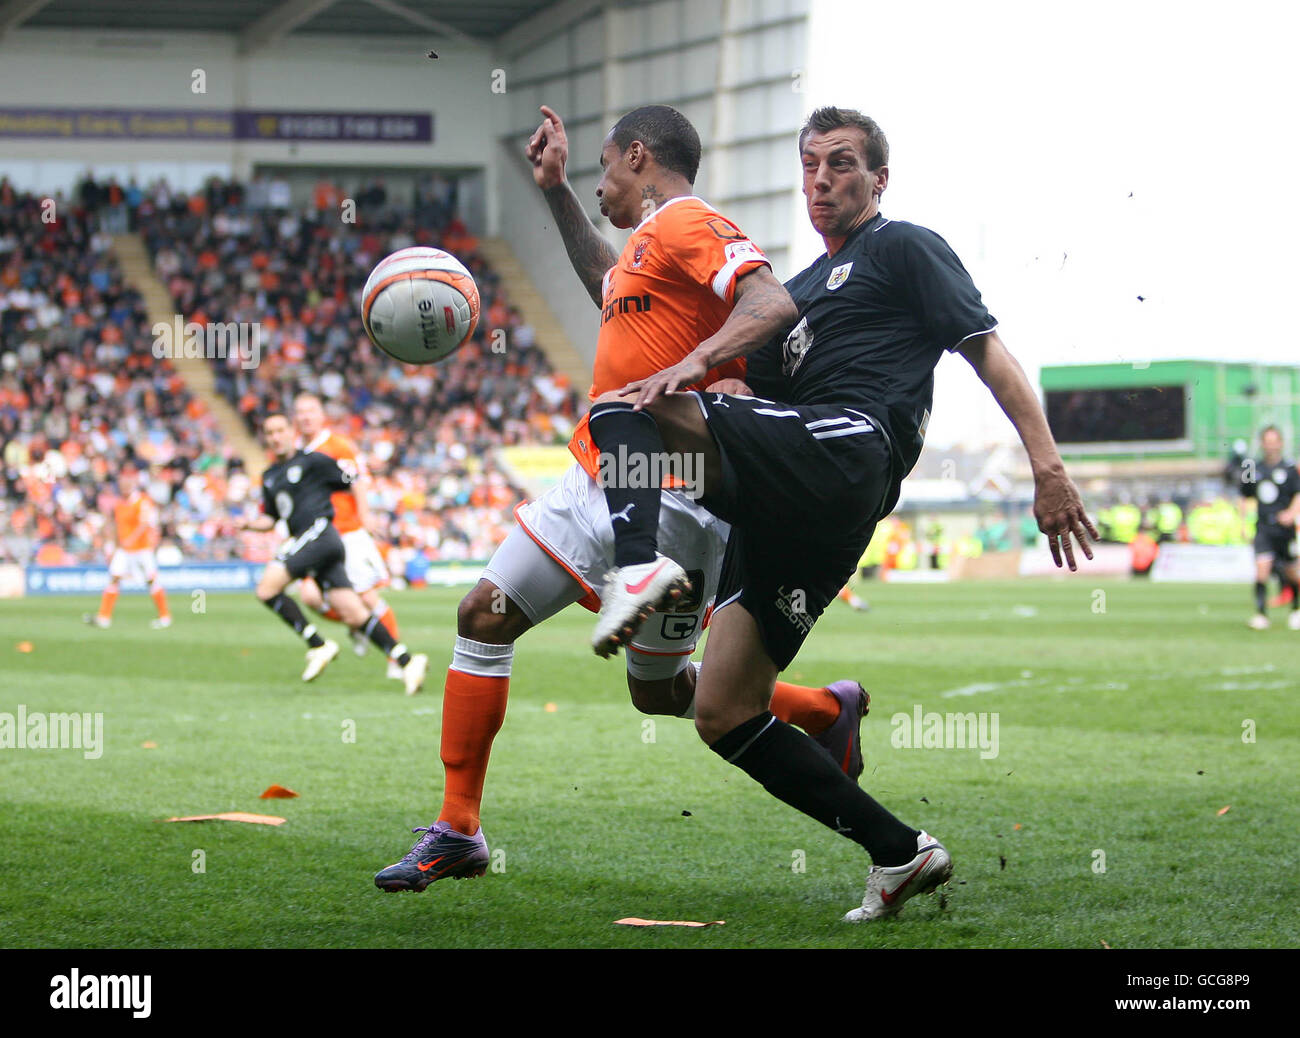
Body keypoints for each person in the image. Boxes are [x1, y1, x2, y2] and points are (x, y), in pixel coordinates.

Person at [584, 106, 1096, 922]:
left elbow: (987, 352)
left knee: (628, 409)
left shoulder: (904, 247)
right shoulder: (799, 290)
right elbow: (646, 318)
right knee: (721, 711)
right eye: (812, 164)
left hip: (849, 447)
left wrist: (1049, 467)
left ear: (878, 179)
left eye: (844, 164)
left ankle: (638, 563)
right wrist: (724, 378)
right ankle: (900, 852)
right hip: (798, 500)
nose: (823, 179)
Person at [372, 104, 870, 893]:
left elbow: (772, 303)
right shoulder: (646, 248)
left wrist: (697, 362)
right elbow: (606, 278)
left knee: (662, 693)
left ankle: (817, 708)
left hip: (677, 491)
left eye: (604, 168)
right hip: (599, 473)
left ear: (639, 156)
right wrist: (556, 190)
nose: (600, 183)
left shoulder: (687, 221)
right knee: (484, 615)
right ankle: (458, 828)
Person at [238, 414, 429, 692]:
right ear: (265, 438)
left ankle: (319, 644)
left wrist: (364, 510)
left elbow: (353, 478)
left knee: (267, 589)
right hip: (312, 544)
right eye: (270, 432)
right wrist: (247, 524)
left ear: (291, 432)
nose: (276, 437)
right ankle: (407, 661)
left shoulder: (313, 460)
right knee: (354, 614)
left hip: (320, 534)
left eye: (280, 430)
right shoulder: (269, 477)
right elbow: (270, 518)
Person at [291, 394, 406, 682]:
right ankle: (359, 626)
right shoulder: (297, 452)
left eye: (311, 411)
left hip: (348, 531)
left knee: (367, 595)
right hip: (318, 535)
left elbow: (356, 481)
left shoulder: (338, 446)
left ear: (321, 416)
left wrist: (365, 516)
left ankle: (398, 659)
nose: (305, 417)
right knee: (310, 596)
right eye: (300, 412)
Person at [82, 463, 172, 630]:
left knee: (151, 580)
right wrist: (113, 547)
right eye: (121, 484)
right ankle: (104, 617)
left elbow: (145, 524)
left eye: (126, 484)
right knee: (114, 578)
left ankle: (164, 616)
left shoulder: (143, 501)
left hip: (142, 549)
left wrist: (131, 539)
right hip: (123, 550)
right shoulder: (119, 504)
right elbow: (116, 526)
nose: (123, 487)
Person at [1237, 425, 1300, 630]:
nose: (1271, 446)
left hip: (1285, 529)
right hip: (1263, 527)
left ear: (1280, 443)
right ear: (1262, 444)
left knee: (1291, 571)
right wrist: (1242, 523)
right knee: (1261, 569)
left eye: (1274, 441)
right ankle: (1261, 614)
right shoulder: (1251, 468)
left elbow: (1298, 494)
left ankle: (1296, 610)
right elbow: (1243, 496)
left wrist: (1291, 514)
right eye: (1267, 441)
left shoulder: (1291, 468)